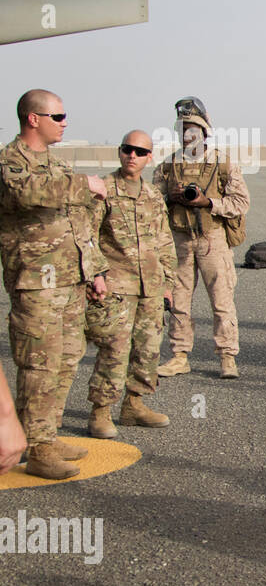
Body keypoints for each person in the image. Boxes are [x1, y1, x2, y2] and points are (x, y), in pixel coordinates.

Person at [0, 89, 108, 479]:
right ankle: (39, 447)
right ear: (33, 119)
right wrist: (85, 185)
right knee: (39, 362)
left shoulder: (57, 165)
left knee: (66, 358)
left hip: (69, 279)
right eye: (58, 116)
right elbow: (27, 194)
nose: (65, 123)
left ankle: (44, 434)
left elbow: (79, 223)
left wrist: (93, 270)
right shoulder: (11, 161)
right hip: (37, 281)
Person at [84, 131, 178, 438]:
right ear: (120, 152)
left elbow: (164, 241)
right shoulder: (103, 190)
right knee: (114, 349)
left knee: (148, 350)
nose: (132, 156)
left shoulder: (152, 195)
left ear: (149, 157)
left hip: (150, 287)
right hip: (116, 286)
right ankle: (100, 411)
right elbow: (88, 236)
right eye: (128, 149)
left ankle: (133, 405)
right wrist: (96, 275)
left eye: (140, 151)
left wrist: (168, 283)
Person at [155, 96, 250, 380]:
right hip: (179, 241)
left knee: (222, 301)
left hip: (213, 239)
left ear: (204, 131)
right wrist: (168, 198)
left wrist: (208, 203)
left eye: (193, 128)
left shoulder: (222, 163)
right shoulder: (168, 165)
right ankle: (179, 355)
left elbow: (241, 203)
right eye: (183, 128)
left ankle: (227, 356)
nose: (187, 134)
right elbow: (150, 202)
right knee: (179, 302)